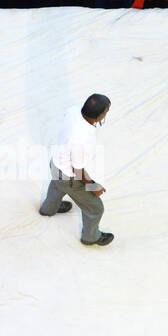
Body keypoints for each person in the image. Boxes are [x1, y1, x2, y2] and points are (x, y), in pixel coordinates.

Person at [39, 93, 113, 247]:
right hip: (69, 176)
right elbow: (78, 170)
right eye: (106, 111)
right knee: (95, 208)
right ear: (99, 116)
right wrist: (94, 186)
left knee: (57, 185)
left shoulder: (73, 110)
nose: (107, 113)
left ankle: (48, 209)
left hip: (55, 163)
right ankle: (91, 237)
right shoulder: (84, 138)